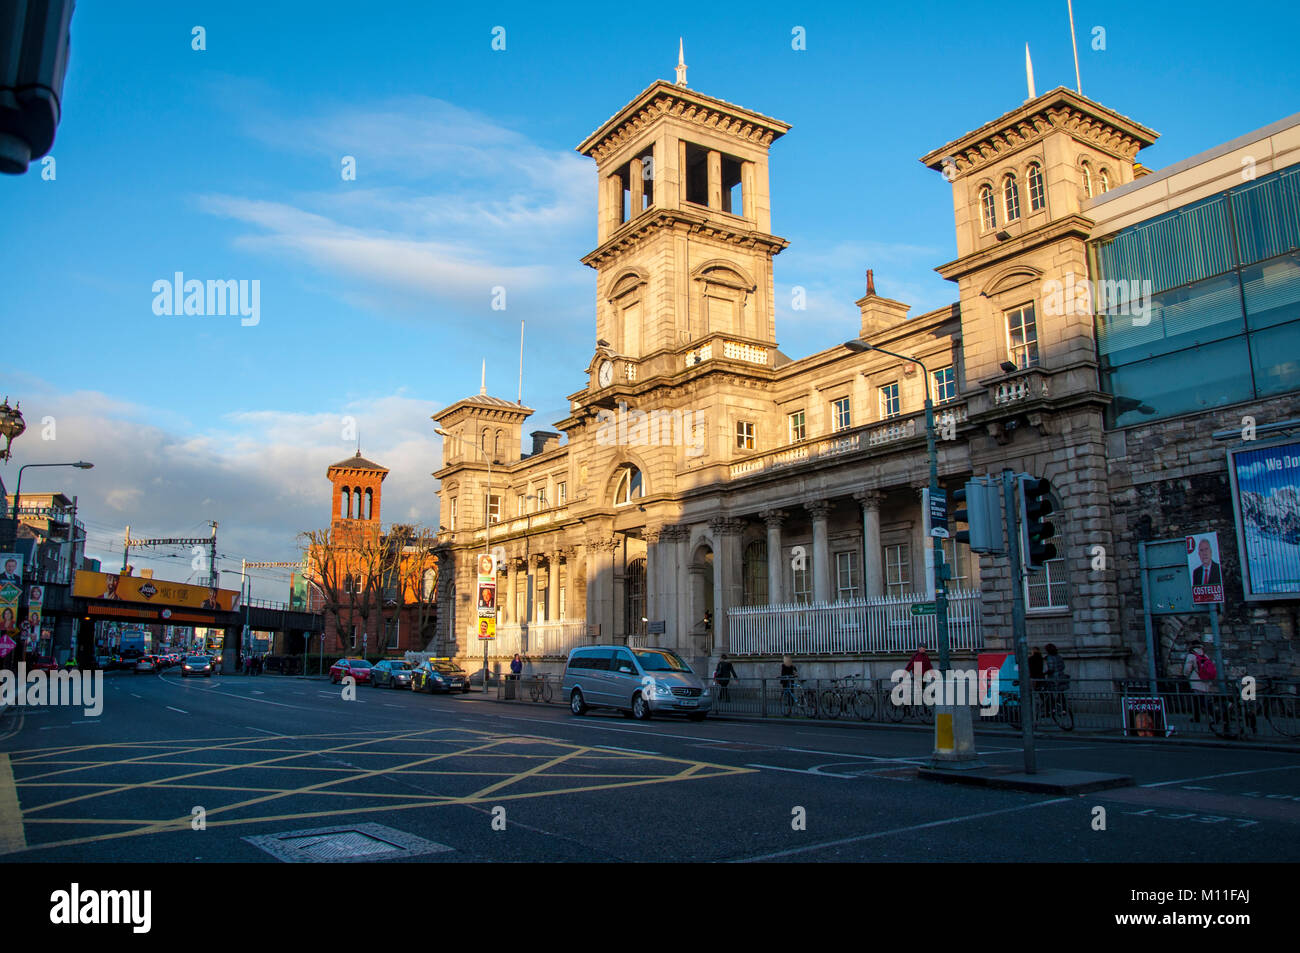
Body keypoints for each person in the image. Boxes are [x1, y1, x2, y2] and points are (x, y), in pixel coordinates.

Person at [1183, 640, 1216, 723]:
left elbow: (1187, 669)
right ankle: (1212, 715)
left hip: (1196, 680)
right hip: (1206, 680)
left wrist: (1186, 675)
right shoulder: (1205, 655)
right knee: (1203, 700)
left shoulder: (1191, 655)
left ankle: (1212, 715)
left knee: (1198, 701)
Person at [1043, 643, 1069, 714]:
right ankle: (1063, 709)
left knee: (1049, 693)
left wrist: (1045, 673)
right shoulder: (1059, 657)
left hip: (1053, 678)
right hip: (1061, 676)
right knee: (1060, 693)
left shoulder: (1049, 658)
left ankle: (1052, 708)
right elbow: (1063, 666)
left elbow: (1051, 669)